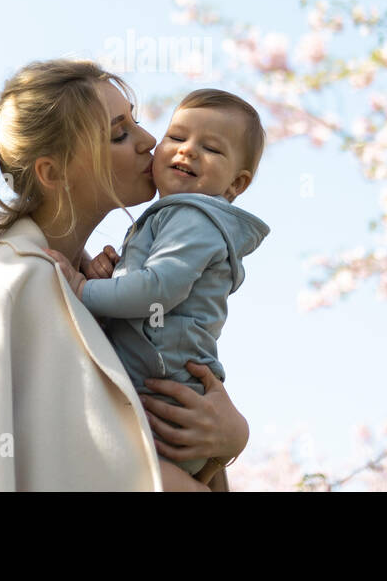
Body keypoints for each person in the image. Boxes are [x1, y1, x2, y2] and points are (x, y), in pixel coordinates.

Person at [0, 59, 250, 491]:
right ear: (53, 172)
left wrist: (228, 439)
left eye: (137, 123)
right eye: (119, 134)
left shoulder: (109, 288)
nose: (149, 141)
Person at [53, 89, 268, 484]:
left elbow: (156, 290)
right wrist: (112, 276)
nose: (186, 151)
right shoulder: (173, 218)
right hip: (160, 389)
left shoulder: (193, 217)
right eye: (177, 137)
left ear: (236, 183)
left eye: (211, 148)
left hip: (164, 391)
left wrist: (84, 291)